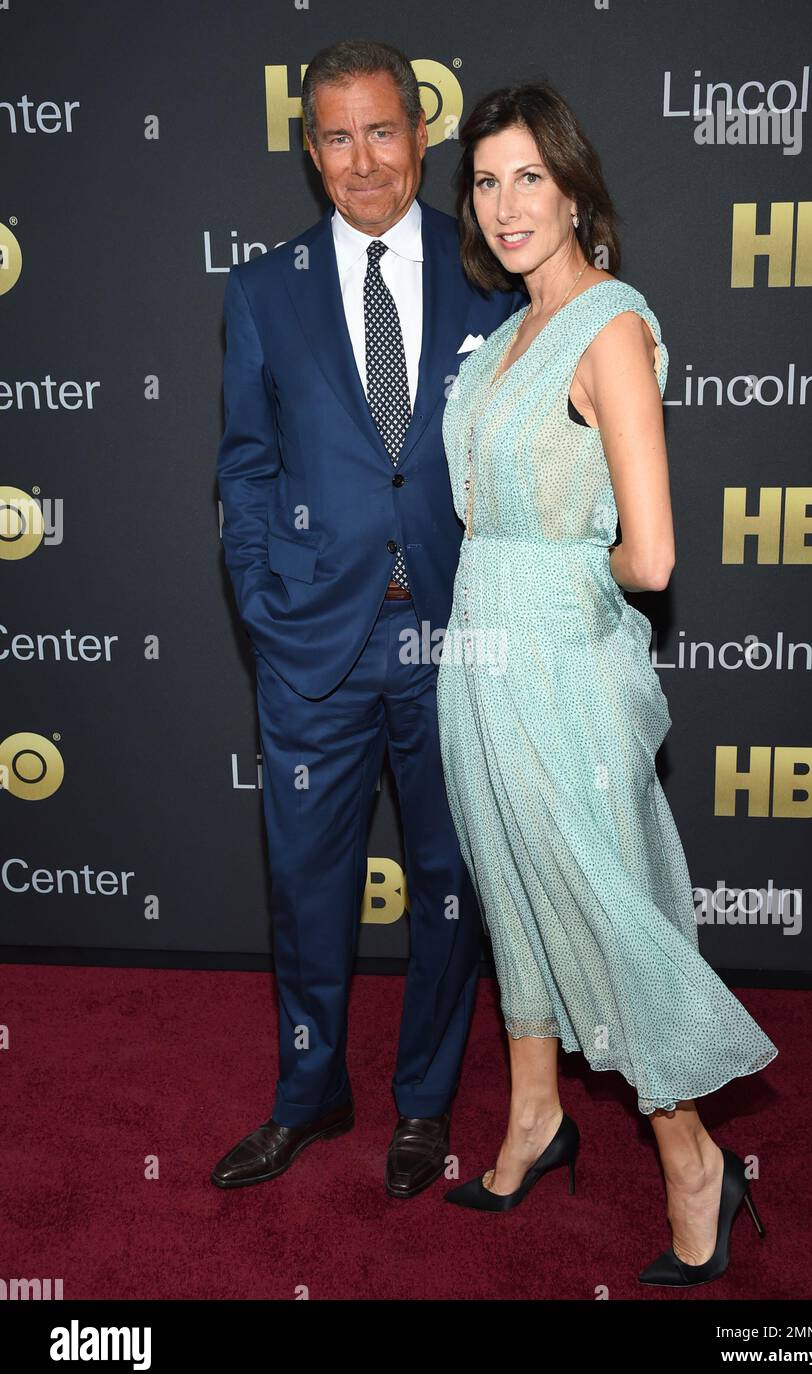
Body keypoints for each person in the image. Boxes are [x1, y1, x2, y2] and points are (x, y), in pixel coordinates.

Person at [435, 81, 779, 1286]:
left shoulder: (607, 324)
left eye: (530, 174)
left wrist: (558, 586)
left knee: (597, 902)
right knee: (516, 890)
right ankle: (536, 1111)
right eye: (485, 179)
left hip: (558, 660)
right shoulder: (509, 332)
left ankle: (695, 1161)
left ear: (576, 187)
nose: (507, 201)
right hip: (478, 657)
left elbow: (653, 552)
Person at [211, 40, 526, 1199]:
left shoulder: (491, 264)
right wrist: (263, 599)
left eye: (381, 131)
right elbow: (245, 466)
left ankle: (425, 1103)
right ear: (310, 150)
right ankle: (309, 1092)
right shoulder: (261, 290)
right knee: (306, 883)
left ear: (421, 133)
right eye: (335, 136)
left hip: (454, 636)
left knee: (449, 880)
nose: (362, 159)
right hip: (314, 641)